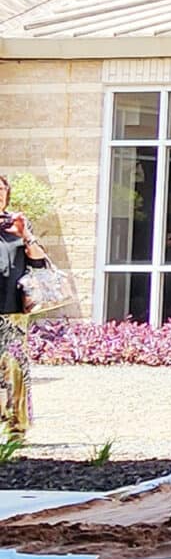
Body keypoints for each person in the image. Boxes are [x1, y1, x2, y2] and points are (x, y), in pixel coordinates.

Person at [0, 174, 53, 434]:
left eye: (2, 189)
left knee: (15, 367)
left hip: (12, 311)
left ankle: (16, 426)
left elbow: (39, 261)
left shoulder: (17, 223)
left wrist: (25, 234)